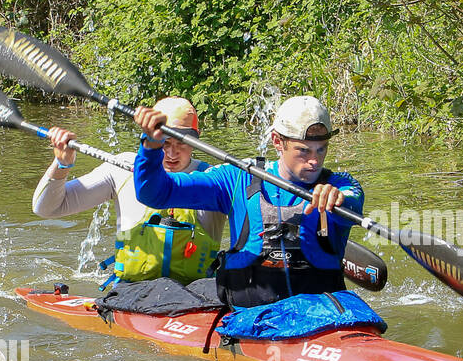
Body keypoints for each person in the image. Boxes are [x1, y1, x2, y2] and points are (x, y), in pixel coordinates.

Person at [133, 95, 364, 308]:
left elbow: (352, 200)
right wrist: (150, 147)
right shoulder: (236, 178)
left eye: (321, 150)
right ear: (277, 141)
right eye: (303, 151)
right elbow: (154, 193)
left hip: (320, 314)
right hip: (248, 316)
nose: (314, 161)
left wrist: (338, 199)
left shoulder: (341, 185)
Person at [31, 97, 225, 288]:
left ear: (195, 141)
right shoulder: (122, 168)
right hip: (130, 294)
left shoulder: (216, 179)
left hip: (197, 296)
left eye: (182, 143)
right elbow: (47, 208)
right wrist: (62, 164)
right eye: (165, 142)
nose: (172, 153)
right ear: (151, 135)